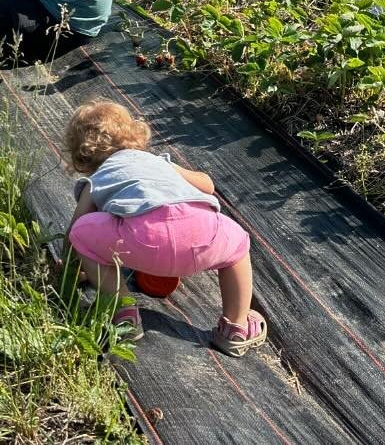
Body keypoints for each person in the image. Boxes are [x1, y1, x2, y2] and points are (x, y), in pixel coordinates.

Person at [62, 101, 267, 355]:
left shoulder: (99, 177)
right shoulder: (159, 162)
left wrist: (72, 270)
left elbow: (75, 231)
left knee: (82, 231)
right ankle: (236, 327)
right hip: (201, 240)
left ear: (82, 156)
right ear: (134, 134)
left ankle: (123, 314)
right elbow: (207, 185)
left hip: (142, 242)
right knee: (238, 243)